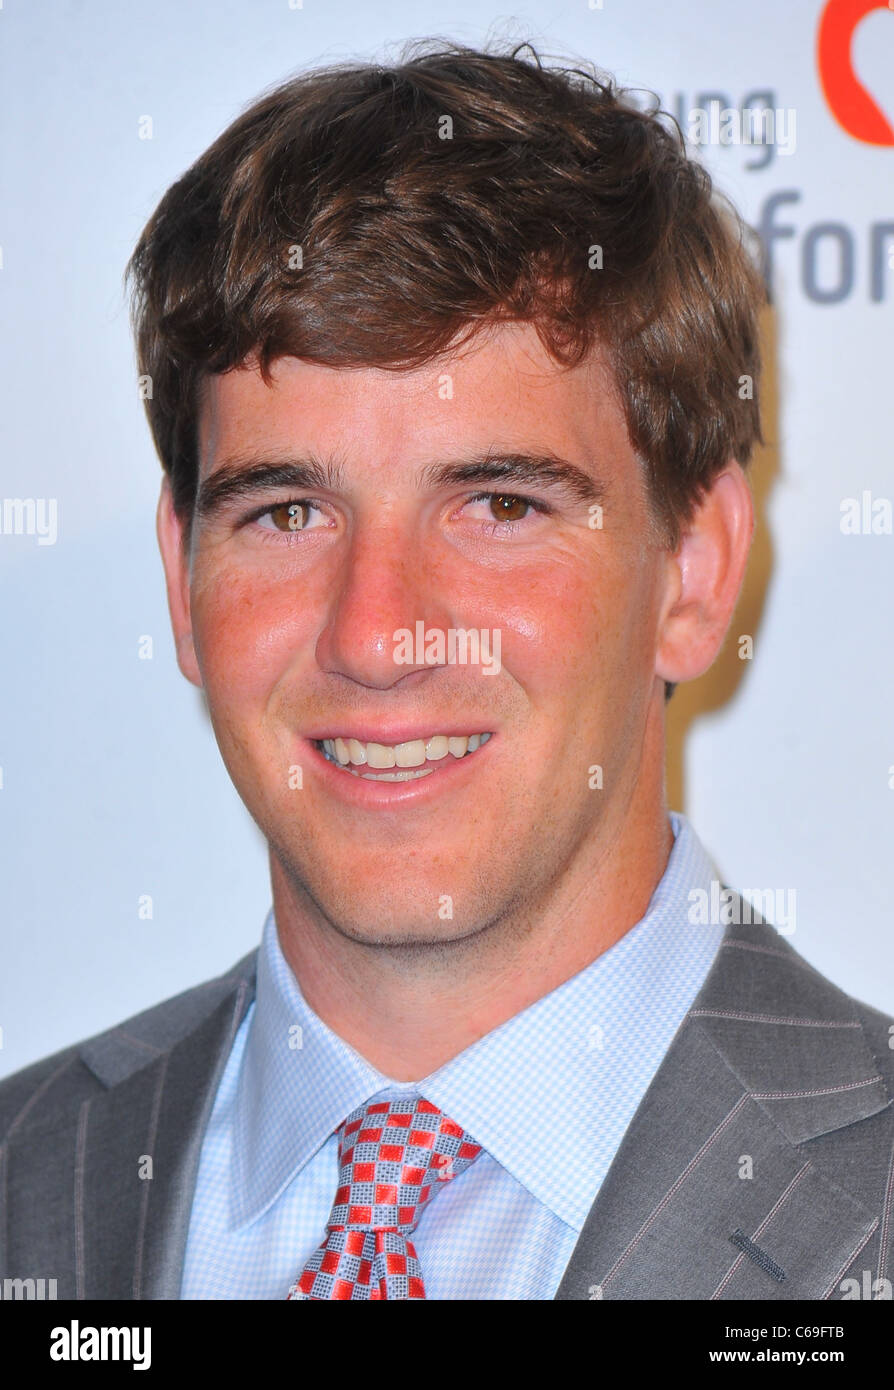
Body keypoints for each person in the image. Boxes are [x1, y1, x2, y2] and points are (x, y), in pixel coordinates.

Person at [1, 41, 891, 1303]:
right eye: (287, 513)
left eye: (498, 505)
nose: (376, 637)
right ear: (180, 574)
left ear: (693, 575)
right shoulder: (24, 1181)